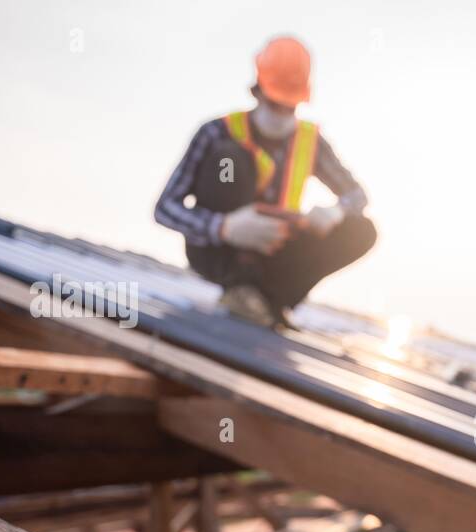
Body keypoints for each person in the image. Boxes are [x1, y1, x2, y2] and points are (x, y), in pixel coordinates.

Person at [154, 35, 375, 328]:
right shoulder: (217, 133)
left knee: (361, 229)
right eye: (275, 103)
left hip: (277, 256)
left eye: (290, 107)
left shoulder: (310, 143)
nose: (282, 113)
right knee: (229, 159)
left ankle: (270, 300)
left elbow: (357, 195)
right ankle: (239, 289)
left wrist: (336, 212)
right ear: (257, 91)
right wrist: (225, 227)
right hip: (220, 250)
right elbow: (166, 208)